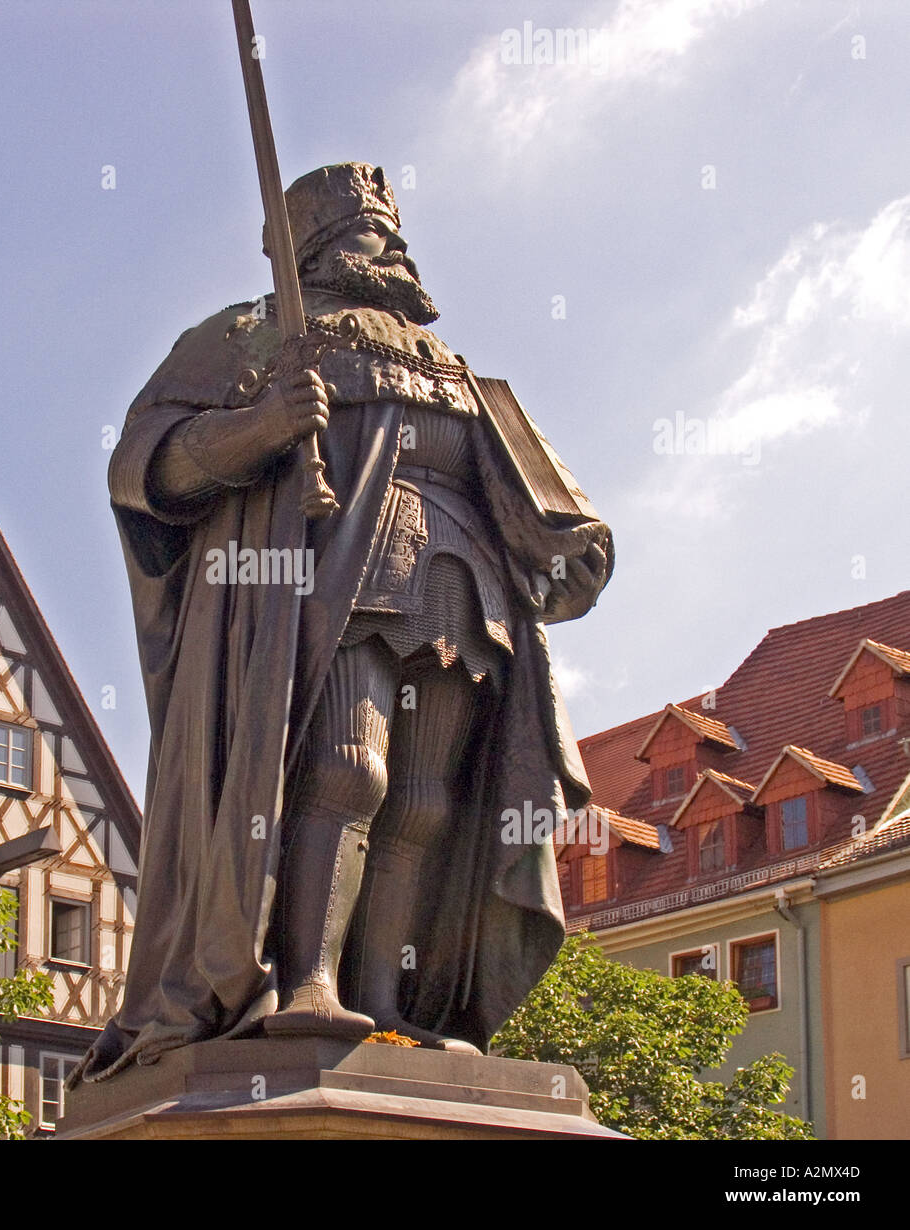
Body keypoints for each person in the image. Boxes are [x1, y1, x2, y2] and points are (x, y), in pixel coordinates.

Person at [75, 163, 613, 1082]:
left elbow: (533, 490)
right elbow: (144, 468)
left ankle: (389, 1002)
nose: (395, 247)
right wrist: (259, 430)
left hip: (462, 589)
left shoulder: (456, 370)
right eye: (373, 233)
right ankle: (311, 983)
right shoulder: (253, 334)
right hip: (333, 580)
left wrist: (569, 537)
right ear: (317, 246)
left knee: (426, 803)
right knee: (344, 768)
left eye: (395, 230)